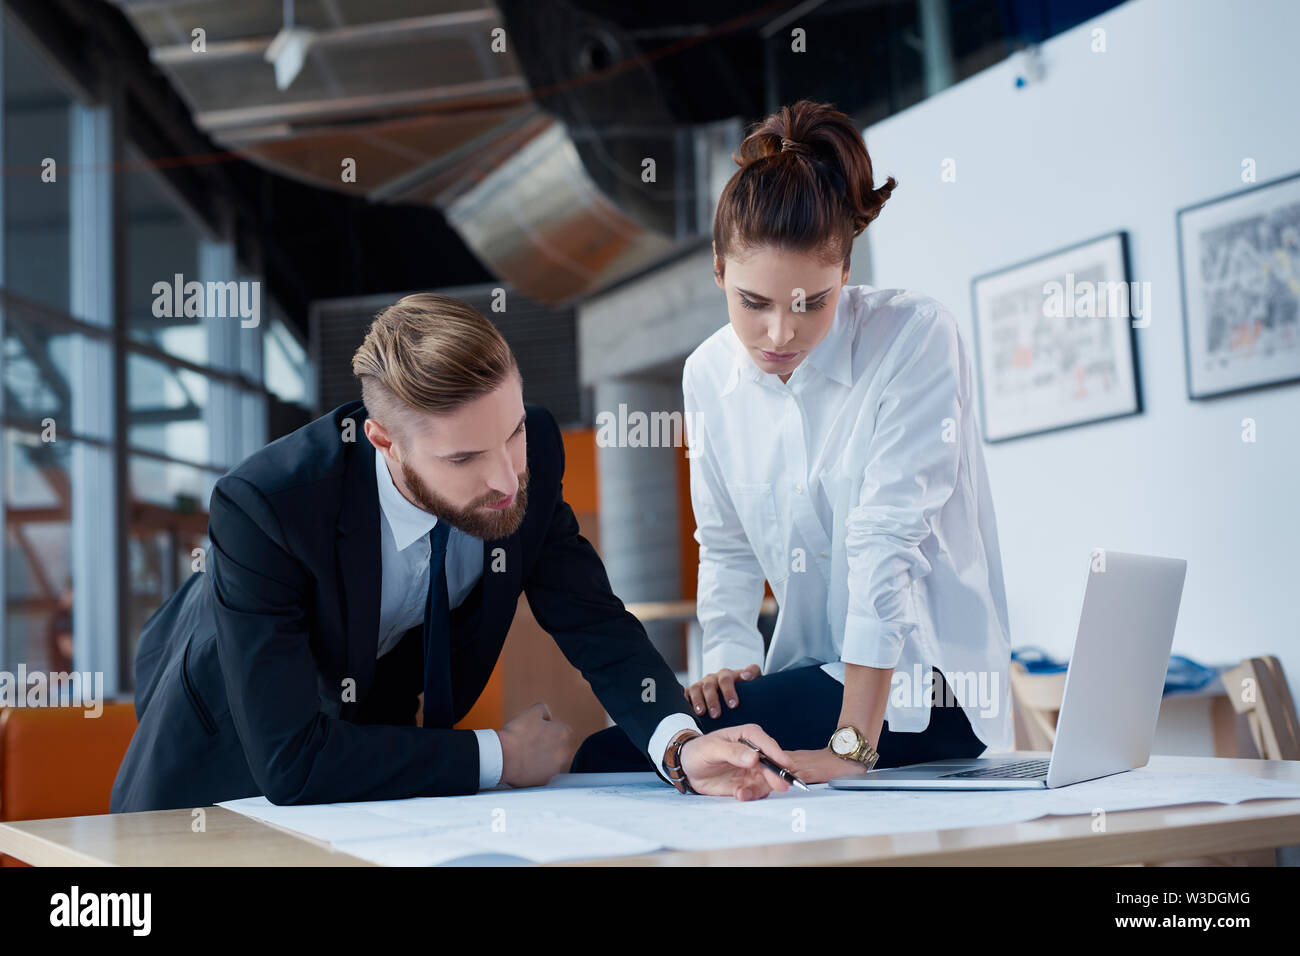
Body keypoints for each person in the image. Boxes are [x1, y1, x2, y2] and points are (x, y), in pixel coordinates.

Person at [111, 294, 796, 813]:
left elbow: (593, 618)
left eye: (512, 433)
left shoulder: (532, 459)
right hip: (219, 772)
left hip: (368, 772)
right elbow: (291, 765)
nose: (504, 478)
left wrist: (680, 747)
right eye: (464, 457)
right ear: (385, 442)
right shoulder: (268, 506)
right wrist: (499, 756)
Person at [571, 100, 1013, 782]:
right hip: (813, 667)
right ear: (718, 270)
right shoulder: (707, 374)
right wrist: (726, 655)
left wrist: (851, 749)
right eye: (755, 303)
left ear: (845, 275)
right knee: (651, 745)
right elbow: (725, 542)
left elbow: (884, 543)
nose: (781, 335)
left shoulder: (914, 337)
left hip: (926, 687)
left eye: (812, 303)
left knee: (618, 757)